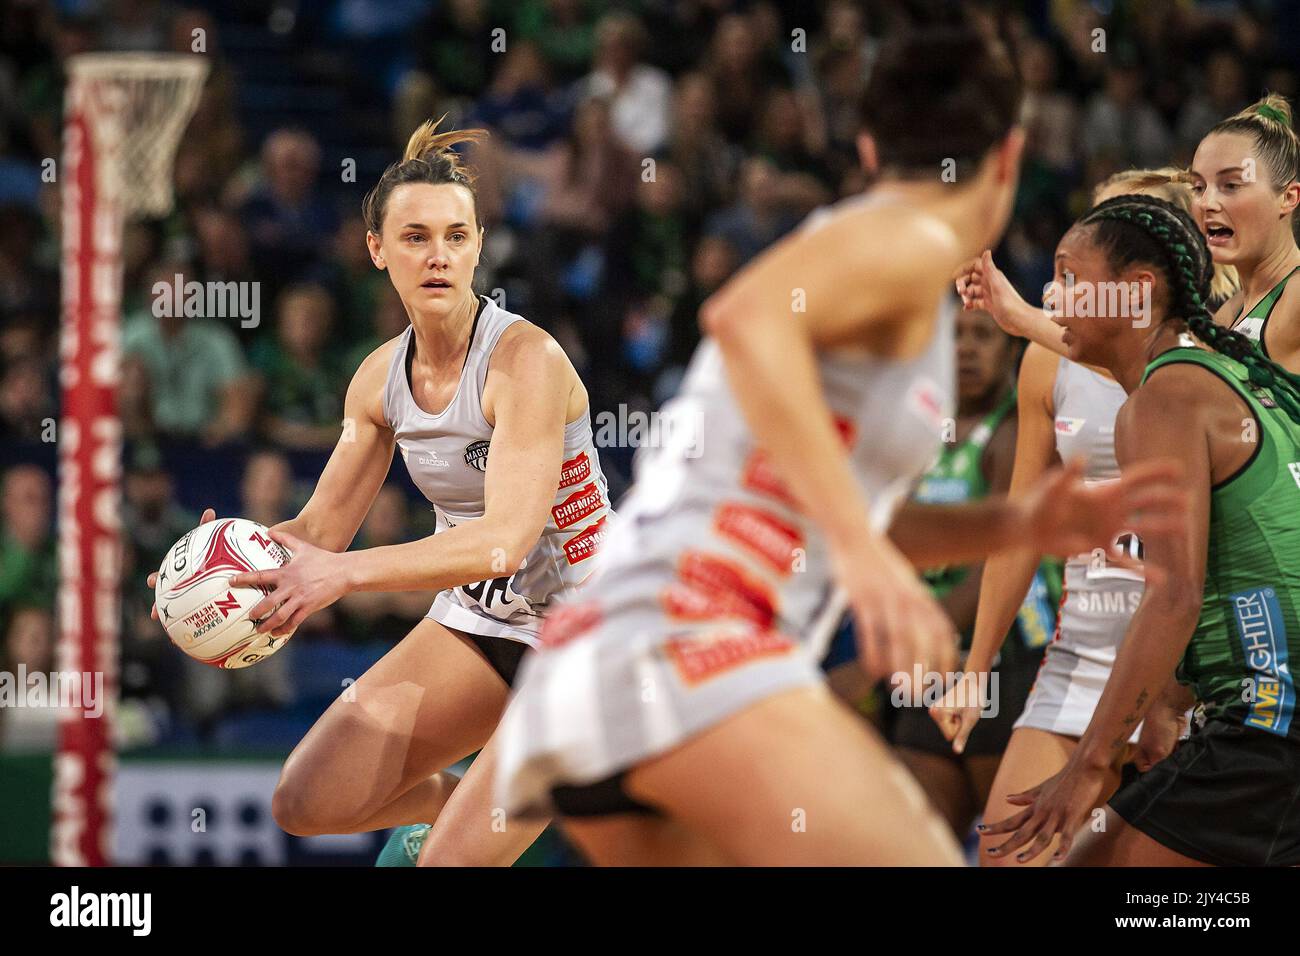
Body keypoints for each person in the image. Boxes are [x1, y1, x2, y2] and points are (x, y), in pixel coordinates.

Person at [492, 20, 1185, 866]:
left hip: (595, 666)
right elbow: (741, 318)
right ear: (1010, 155)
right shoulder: (911, 231)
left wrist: (1018, 526)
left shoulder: (885, 274)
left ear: (865, 143)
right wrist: (861, 556)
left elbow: (847, 514)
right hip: (690, 643)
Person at [149, 118, 614, 867]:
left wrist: (346, 576)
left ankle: (483, 818)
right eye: (416, 236)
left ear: (479, 245)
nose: (439, 256)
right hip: (486, 623)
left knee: (446, 868)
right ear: (376, 250)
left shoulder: (527, 361)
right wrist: (214, 572)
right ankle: (454, 804)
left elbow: (506, 540)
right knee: (305, 803)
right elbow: (319, 533)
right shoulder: (377, 380)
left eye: (457, 237)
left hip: (588, 630)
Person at [983, 194, 1300, 867]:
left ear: (1135, 293)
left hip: (1271, 718)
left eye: (1070, 277)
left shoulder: (1164, 399)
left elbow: (1175, 594)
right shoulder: (1228, 376)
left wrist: (1089, 766)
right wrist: (1166, 703)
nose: (1053, 293)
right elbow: (1232, 565)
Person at [938, 169, 1232, 865]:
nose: (1073, 291)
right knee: (1005, 855)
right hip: (1080, 656)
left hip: (1190, 667)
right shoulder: (1049, 360)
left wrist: (1016, 314)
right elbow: (1019, 529)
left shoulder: (1216, 360)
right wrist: (974, 669)